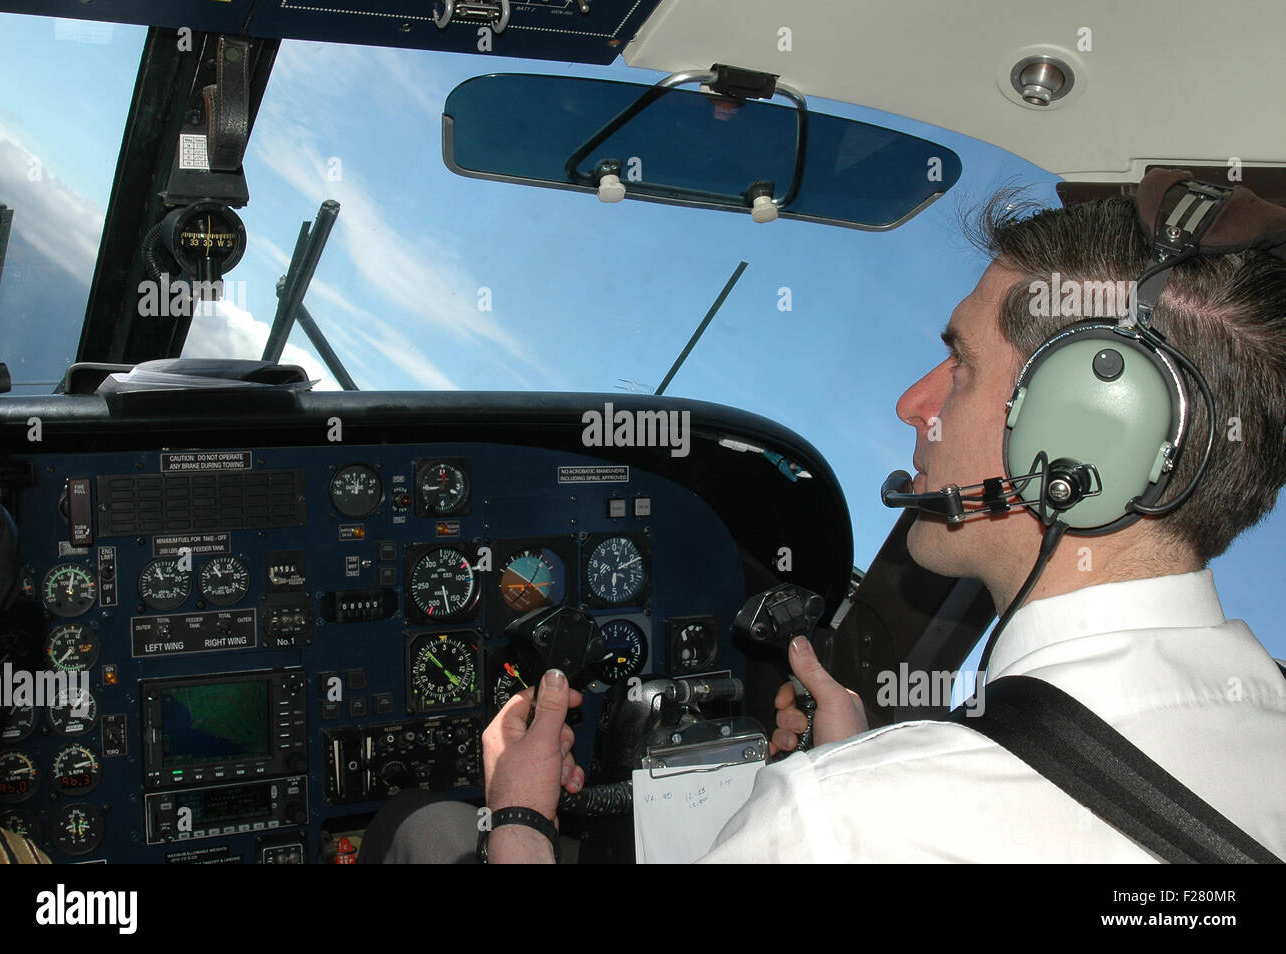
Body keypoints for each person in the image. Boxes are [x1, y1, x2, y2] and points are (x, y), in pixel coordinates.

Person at [479, 177, 1286, 863]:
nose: (913, 403)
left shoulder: (848, 823)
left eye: (961, 362)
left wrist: (520, 822)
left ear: (1088, 431)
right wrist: (860, 758)